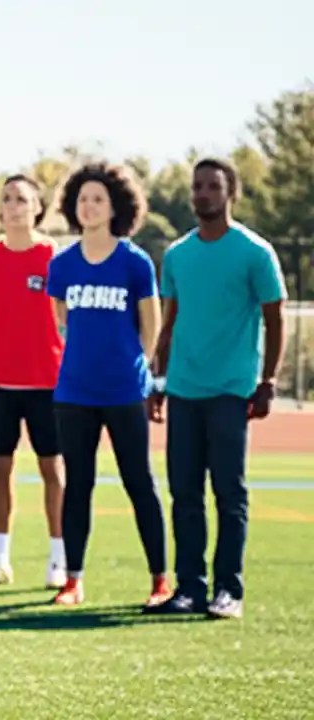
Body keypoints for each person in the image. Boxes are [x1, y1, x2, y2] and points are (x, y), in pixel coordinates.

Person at [146, 158, 288, 620]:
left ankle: (229, 590)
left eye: (212, 186)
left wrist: (267, 382)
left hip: (231, 391)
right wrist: (158, 381)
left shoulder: (255, 252)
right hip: (184, 390)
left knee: (229, 492)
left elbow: (274, 319)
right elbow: (169, 323)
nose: (203, 194)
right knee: (184, 493)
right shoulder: (178, 255)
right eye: (197, 187)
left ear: (231, 194)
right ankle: (189, 588)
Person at [44, 162, 171, 608]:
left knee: (139, 482)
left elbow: (151, 324)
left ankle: (160, 580)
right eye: (83, 199)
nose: (90, 206)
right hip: (74, 393)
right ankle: (73, 581)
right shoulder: (62, 265)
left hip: (124, 392)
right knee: (78, 484)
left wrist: (137, 369)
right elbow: (61, 320)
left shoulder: (135, 262)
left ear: (116, 207)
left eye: (99, 199)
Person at [0, 175, 67, 588]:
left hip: (48, 383)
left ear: (37, 207)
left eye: (22, 199)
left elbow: (70, 320)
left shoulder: (56, 257)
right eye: (7, 199)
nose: (14, 205)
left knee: (52, 470)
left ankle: (59, 560)